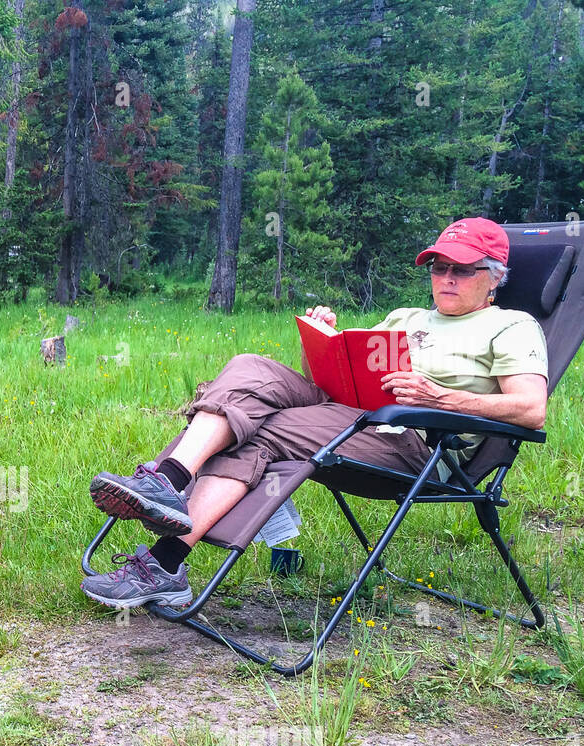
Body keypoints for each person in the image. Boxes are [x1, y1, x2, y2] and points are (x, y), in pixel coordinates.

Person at [81, 216, 549, 609]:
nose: (446, 278)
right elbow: (332, 379)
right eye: (439, 267)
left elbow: (531, 410)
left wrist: (437, 399)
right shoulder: (406, 317)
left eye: (463, 270)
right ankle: (167, 482)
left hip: (418, 444)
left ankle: (164, 563)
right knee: (248, 370)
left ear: (494, 276)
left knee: (262, 430)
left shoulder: (510, 326)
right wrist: (322, 342)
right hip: (351, 413)